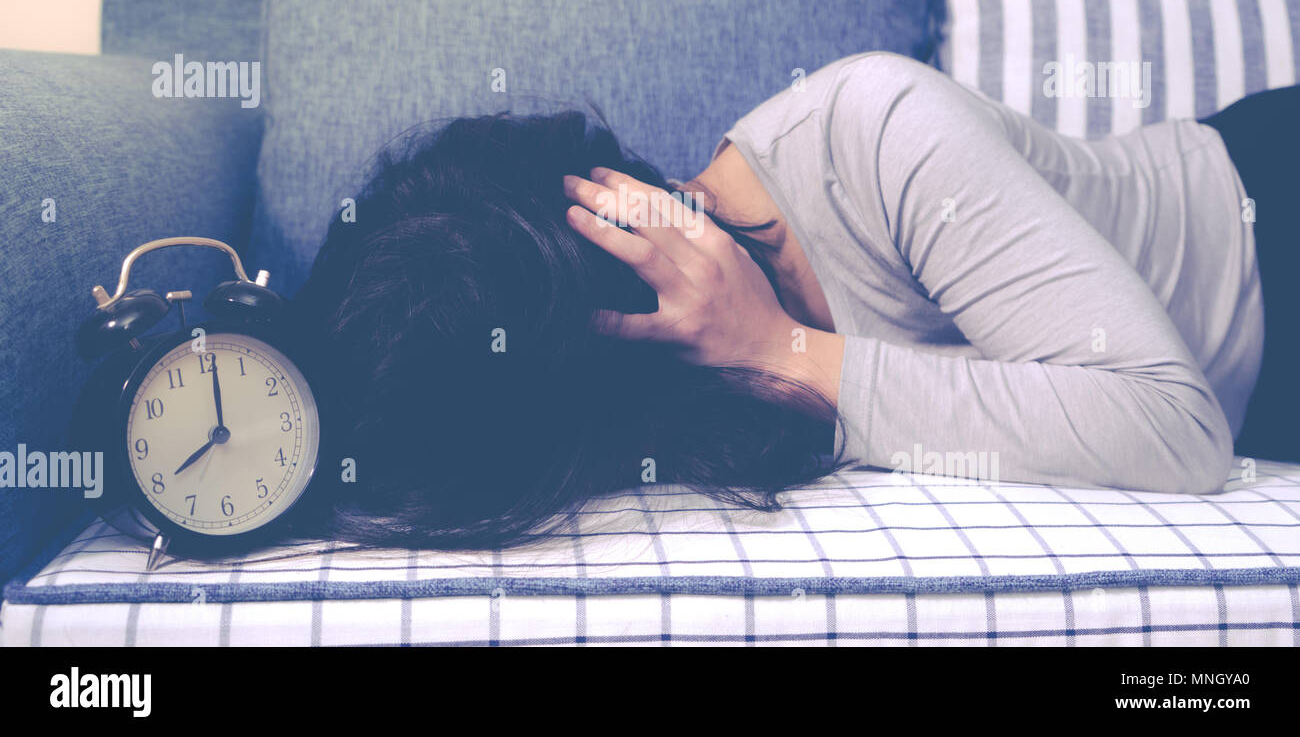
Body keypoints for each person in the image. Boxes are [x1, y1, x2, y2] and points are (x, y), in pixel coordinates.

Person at [292, 51, 1292, 551]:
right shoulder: (653, 392)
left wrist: (778, 353)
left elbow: (1175, 427)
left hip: (1267, 233)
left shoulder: (878, 129)